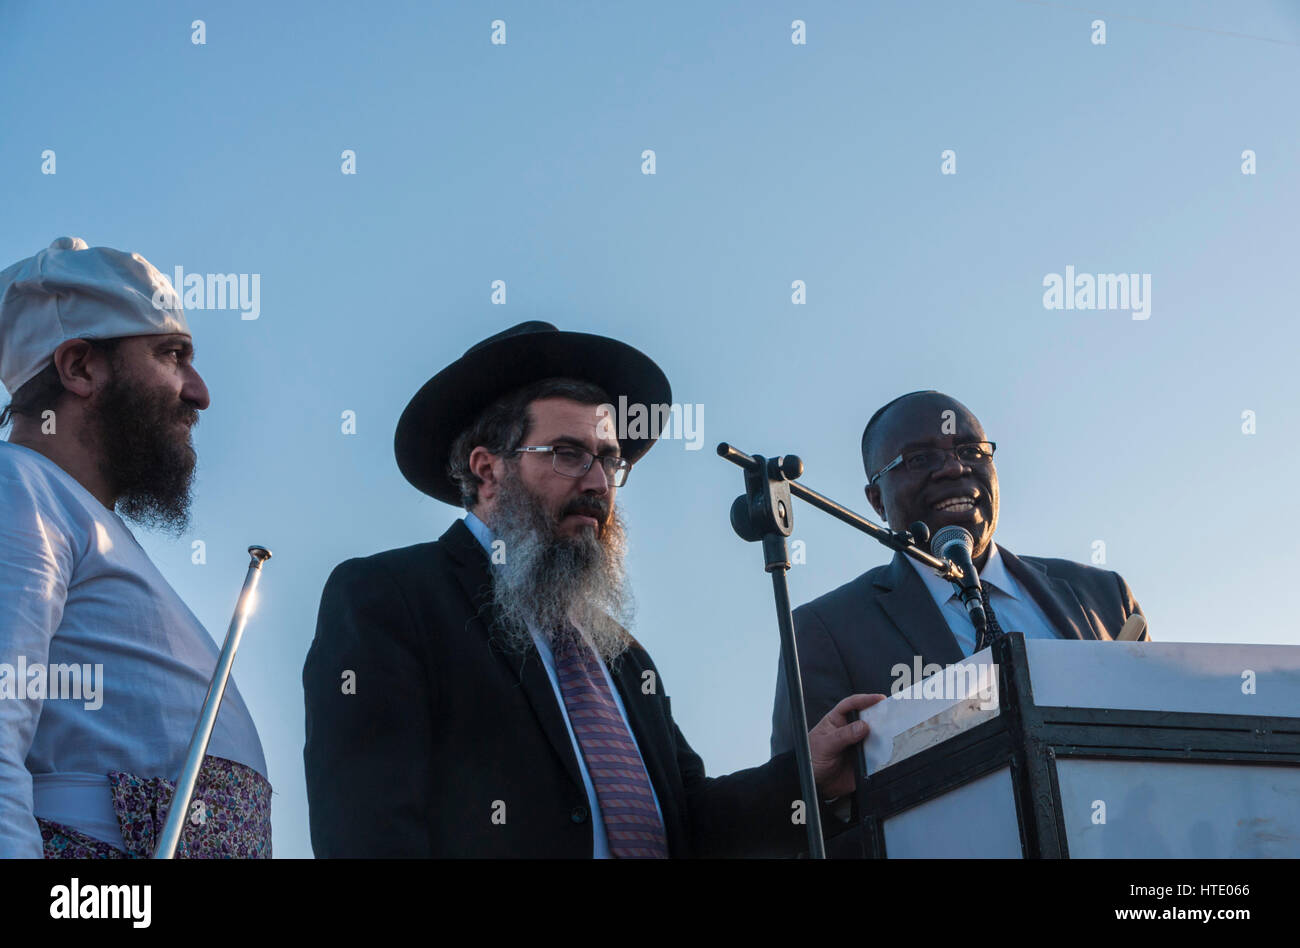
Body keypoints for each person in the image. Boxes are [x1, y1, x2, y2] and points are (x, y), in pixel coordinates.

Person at [303, 321, 880, 857]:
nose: (600, 483)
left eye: (610, 460)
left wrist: (807, 774)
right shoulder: (391, 598)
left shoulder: (622, 657)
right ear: (487, 470)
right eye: (569, 454)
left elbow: (690, 823)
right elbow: (369, 832)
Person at [0, 237, 270, 859]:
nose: (199, 392)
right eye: (172, 355)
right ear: (80, 368)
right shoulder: (19, 487)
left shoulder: (75, 513)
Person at [770, 389, 1149, 762]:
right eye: (919, 459)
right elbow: (805, 799)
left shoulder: (1103, 597)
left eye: (971, 452)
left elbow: (1164, 736)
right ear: (877, 501)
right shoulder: (826, 631)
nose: (954, 468)